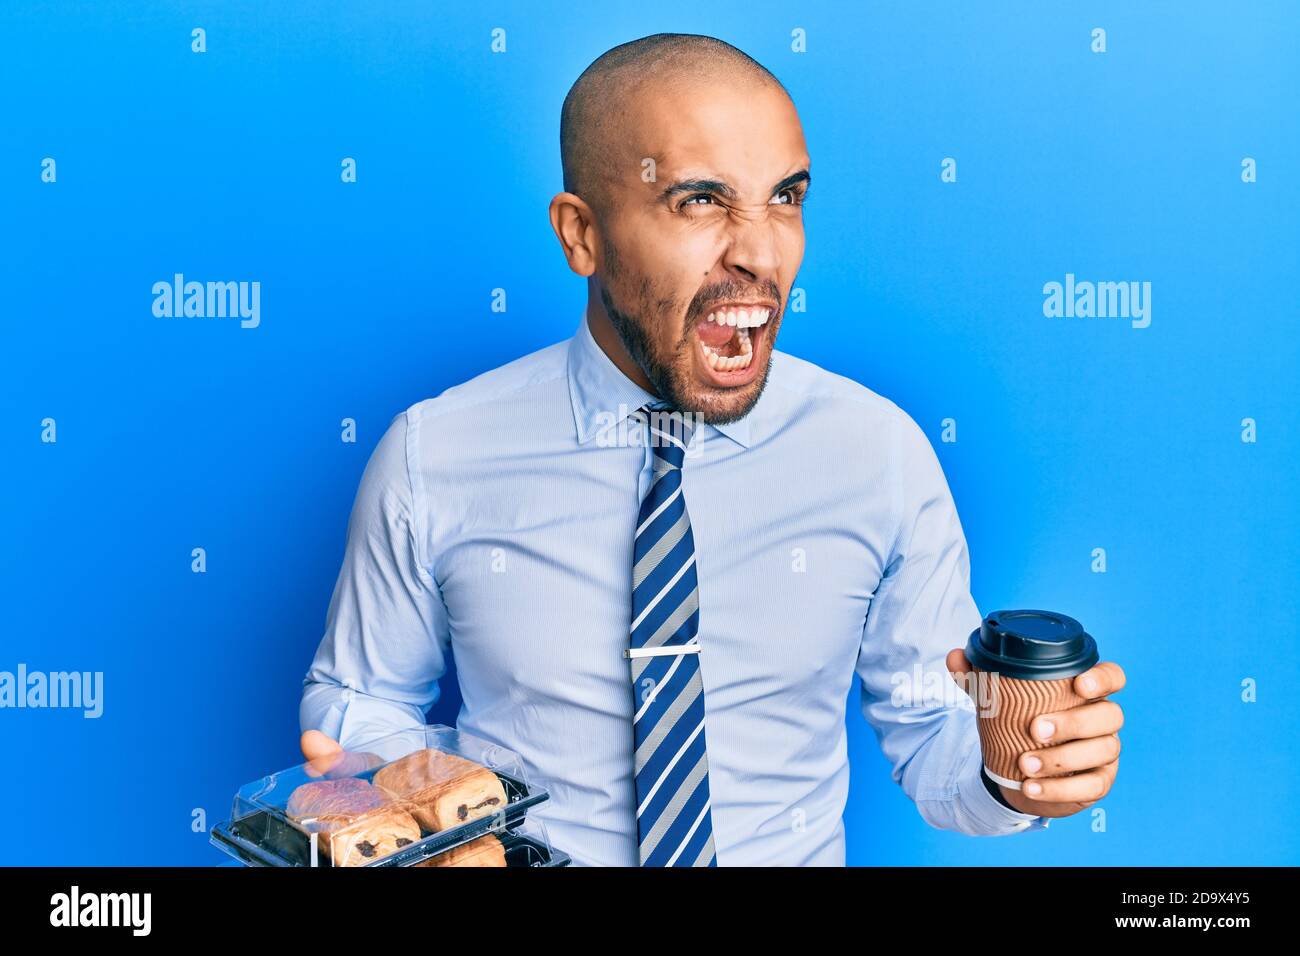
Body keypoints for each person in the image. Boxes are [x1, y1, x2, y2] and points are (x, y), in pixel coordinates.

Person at [298, 33, 1126, 866]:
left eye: (786, 197)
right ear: (581, 235)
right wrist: (410, 801)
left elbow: (932, 731)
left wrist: (1015, 770)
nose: (761, 254)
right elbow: (361, 692)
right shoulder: (435, 454)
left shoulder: (877, 453)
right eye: (699, 201)